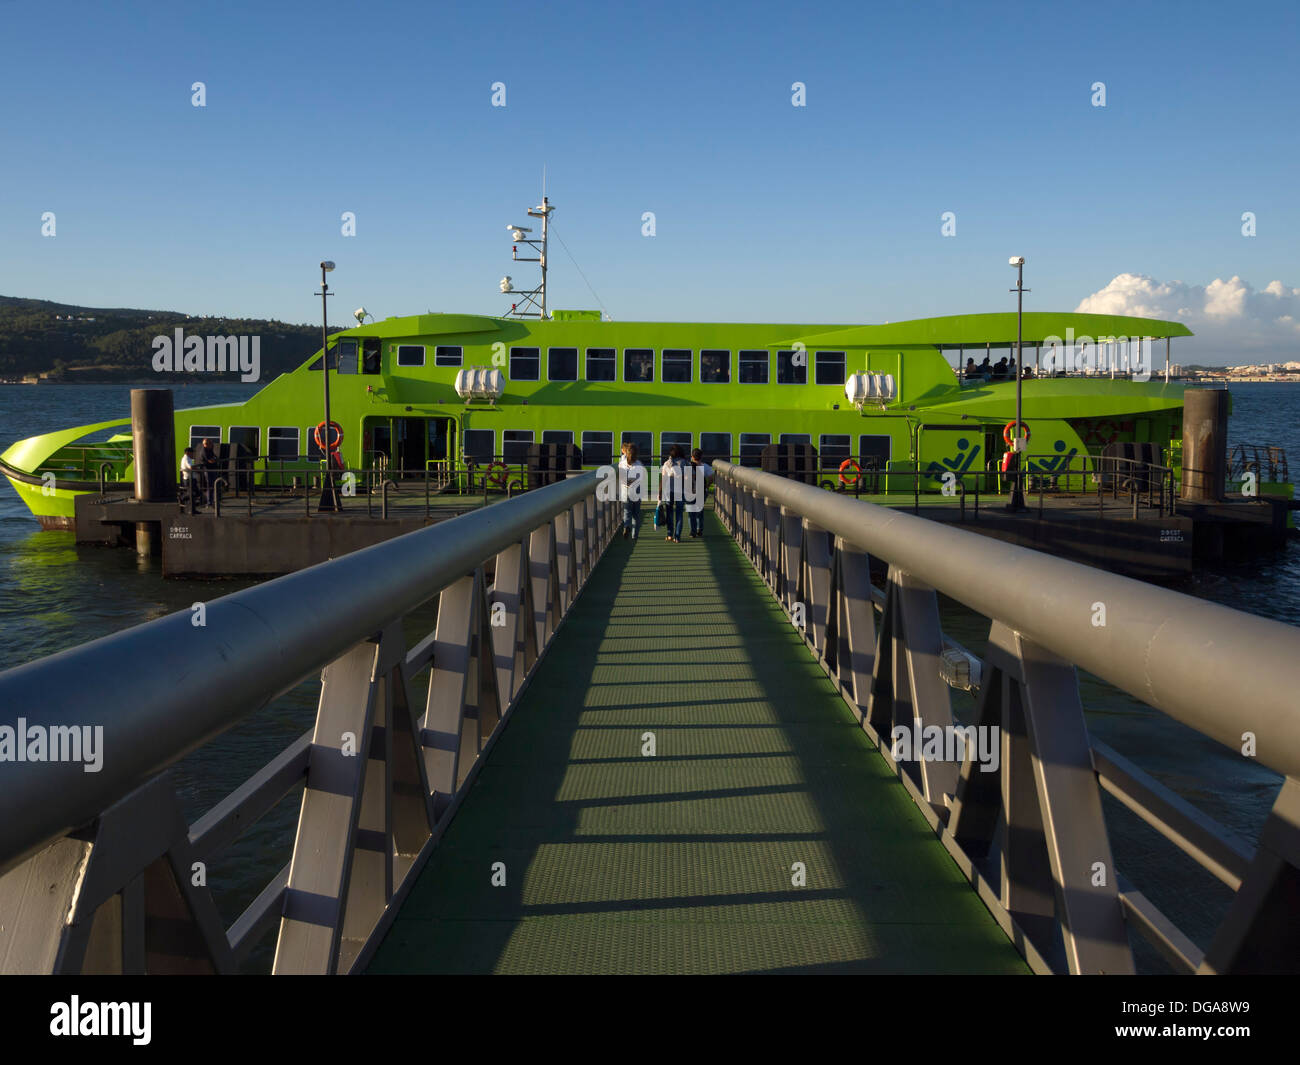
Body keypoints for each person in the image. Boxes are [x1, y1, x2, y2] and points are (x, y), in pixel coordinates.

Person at [659, 444, 686, 543]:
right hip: (680, 491)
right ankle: (677, 537)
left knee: (669, 513)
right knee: (679, 514)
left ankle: (669, 535)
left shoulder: (666, 463)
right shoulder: (684, 463)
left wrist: (660, 492)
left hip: (668, 491)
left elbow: (663, 479)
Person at [618, 442, 645, 539]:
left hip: (626, 491)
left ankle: (627, 526)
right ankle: (635, 535)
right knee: (636, 514)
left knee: (627, 511)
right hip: (637, 491)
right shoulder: (639, 464)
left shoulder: (622, 463)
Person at [685, 448, 713, 537]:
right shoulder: (705, 466)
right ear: (701, 457)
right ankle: (699, 530)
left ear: (692, 456)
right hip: (702, 491)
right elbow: (711, 477)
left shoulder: (687, 466)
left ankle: (692, 532)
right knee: (699, 511)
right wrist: (707, 486)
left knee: (691, 512)